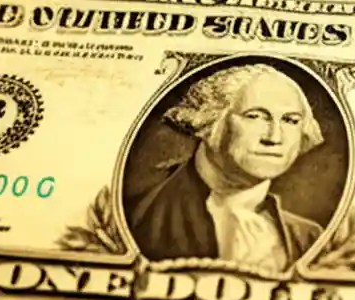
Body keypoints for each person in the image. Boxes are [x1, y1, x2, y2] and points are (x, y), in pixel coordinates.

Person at [126, 63, 326, 271]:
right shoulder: (142, 216)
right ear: (210, 120)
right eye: (255, 116)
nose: (274, 137)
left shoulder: (309, 237)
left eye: (290, 120)